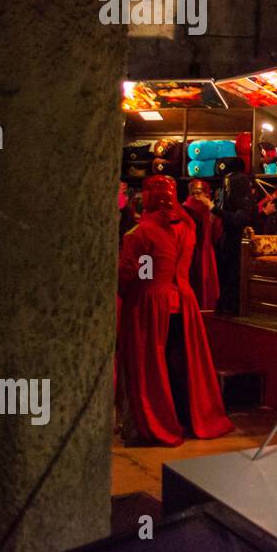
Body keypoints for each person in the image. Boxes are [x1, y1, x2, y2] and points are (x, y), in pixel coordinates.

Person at [116, 175, 233, 446]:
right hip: (184, 302)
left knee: (152, 368)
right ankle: (187, 418)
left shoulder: (141, 233)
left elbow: (136, 272)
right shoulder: (187, 226)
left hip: (151, 303)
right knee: (181, 366)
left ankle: (158, 422)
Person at [213, 172, 257, 315]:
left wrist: (214, 209)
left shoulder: (246, 200)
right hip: (229, 243)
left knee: (233, 275)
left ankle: (231, 306)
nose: (226, 188)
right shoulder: (233, 199)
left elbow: (237, 220)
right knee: (226, 275)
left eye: (229, 185)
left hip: (238, 245)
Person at [181, 179, 222, 310]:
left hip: (203, 253)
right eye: (193, 194)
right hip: (191, 253)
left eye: (199, 193)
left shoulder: (211, 212)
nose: (196, 197)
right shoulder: (184, 211)